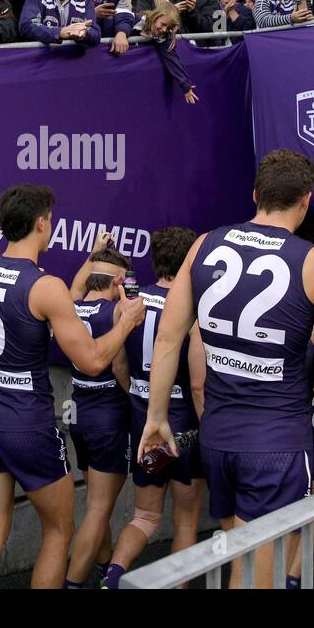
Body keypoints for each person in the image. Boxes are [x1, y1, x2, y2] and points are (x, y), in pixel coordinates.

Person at [139, 150, 314, 588]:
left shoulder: (205, 244)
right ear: (307, 201)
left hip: (218, 440)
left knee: (239, 555)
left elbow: (168, 338)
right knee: (260, 572)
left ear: (256, 194)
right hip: (276, 444)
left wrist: (156, 417)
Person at [0, 184, 145, 589]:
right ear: (41, 223)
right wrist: (127, 321)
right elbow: (93, 360)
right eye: (52, 220)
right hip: (28, 426)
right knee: (58, 532)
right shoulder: (45, 286)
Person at [99, 227, 207, 589]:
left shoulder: (129, 303)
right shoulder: (192, 311)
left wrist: (137, 393)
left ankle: (112, 578)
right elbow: (197, 382)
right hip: (185, 426)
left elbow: (116, 365)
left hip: (143, 421)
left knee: (144, 516)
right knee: (187, 520)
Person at [61, 241, 132, 588]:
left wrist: (94, 253)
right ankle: (72, 583)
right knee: (99, 508)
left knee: (94, 504)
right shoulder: (116, 313)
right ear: (118, 281)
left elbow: (79, 282)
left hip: (80, 417)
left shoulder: (71, 306)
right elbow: (119, 364)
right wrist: (135, 393)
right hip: (108, 419)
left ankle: (106, 570)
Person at [135, 2, 198, 104]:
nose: (164, 29)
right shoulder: (136, 21)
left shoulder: (165, 36)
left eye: (168, 27)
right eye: (163, 24)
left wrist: (185, 85)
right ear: (156, 16)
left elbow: (172, 60)